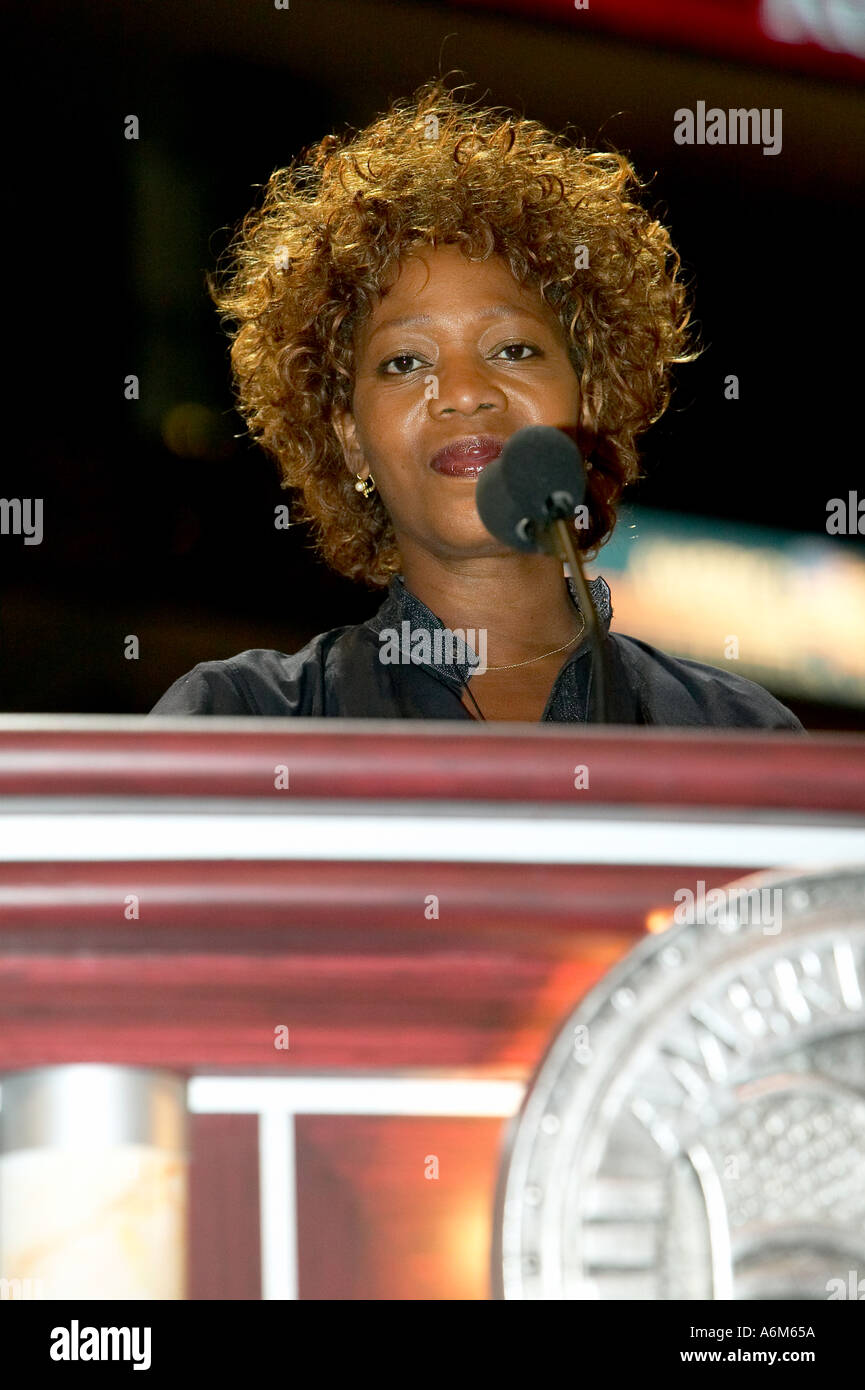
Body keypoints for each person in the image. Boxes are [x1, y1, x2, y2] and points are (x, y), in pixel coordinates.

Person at [150, 79, 803, 730]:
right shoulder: (240, 719)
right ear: (351, 438)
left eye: (513, 350)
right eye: (405, 362)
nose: (461, 392)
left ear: (592, 397)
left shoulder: (737, 732)